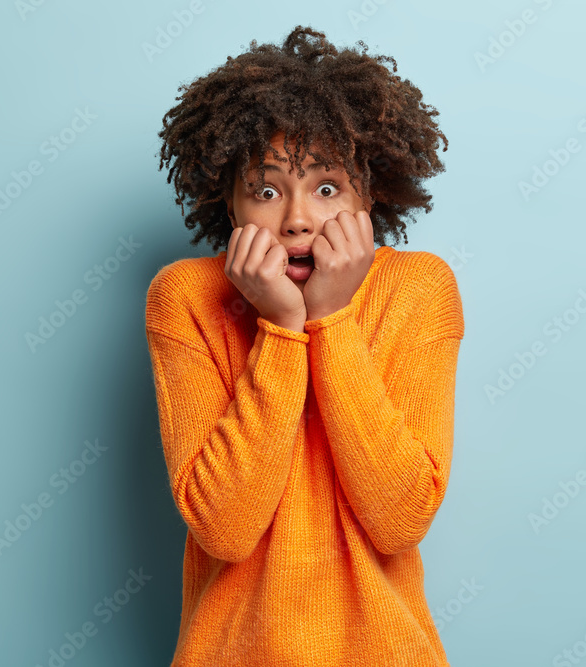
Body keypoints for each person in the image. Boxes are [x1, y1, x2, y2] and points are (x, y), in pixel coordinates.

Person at [147, 24, 464, 666]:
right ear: (229, 205)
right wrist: (282, 329)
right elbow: (225, 530)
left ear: (368, 196)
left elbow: (400, 521)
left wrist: (332, 317)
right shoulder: (185, 297)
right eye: (266, 191)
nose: (296, 219)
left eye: (326, 188)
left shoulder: (419, 289)